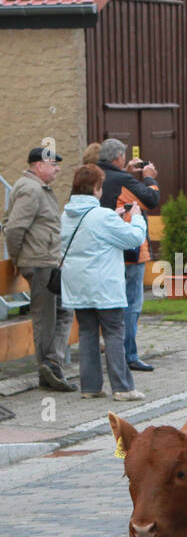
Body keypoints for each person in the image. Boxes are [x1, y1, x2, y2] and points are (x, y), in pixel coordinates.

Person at [59, 164, 148, 400]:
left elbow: (91, 233)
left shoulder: (66, 214)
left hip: (77, 285)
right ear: (96, 188)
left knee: (87, 333)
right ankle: (123, 387)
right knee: (113, 333)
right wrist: (137, 219)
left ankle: (90, 387)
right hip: (104, 286)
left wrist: (115, 218)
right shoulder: (102, 215)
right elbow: (134, 238)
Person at [4, 145, 75, 391]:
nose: (57, 169)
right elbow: (13, 228)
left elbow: (8, 222)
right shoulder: (31, 190)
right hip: (38, 262)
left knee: (64, 311)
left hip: (47, 260)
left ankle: (51, 363)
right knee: (46, 318)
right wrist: (17, 258)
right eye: (53, 164)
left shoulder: (38, 189)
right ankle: (49, 367)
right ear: (37, 165)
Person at [95, 140, 159, 374]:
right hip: (130, 250)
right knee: (131, 305)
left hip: (103, 250)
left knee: (107, 305)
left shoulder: (96, 176)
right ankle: (128, 354)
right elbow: (151, 200)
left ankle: (112, 353)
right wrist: (149, 178)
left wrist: (127, 174)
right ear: (119, 157)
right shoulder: (123, 180)